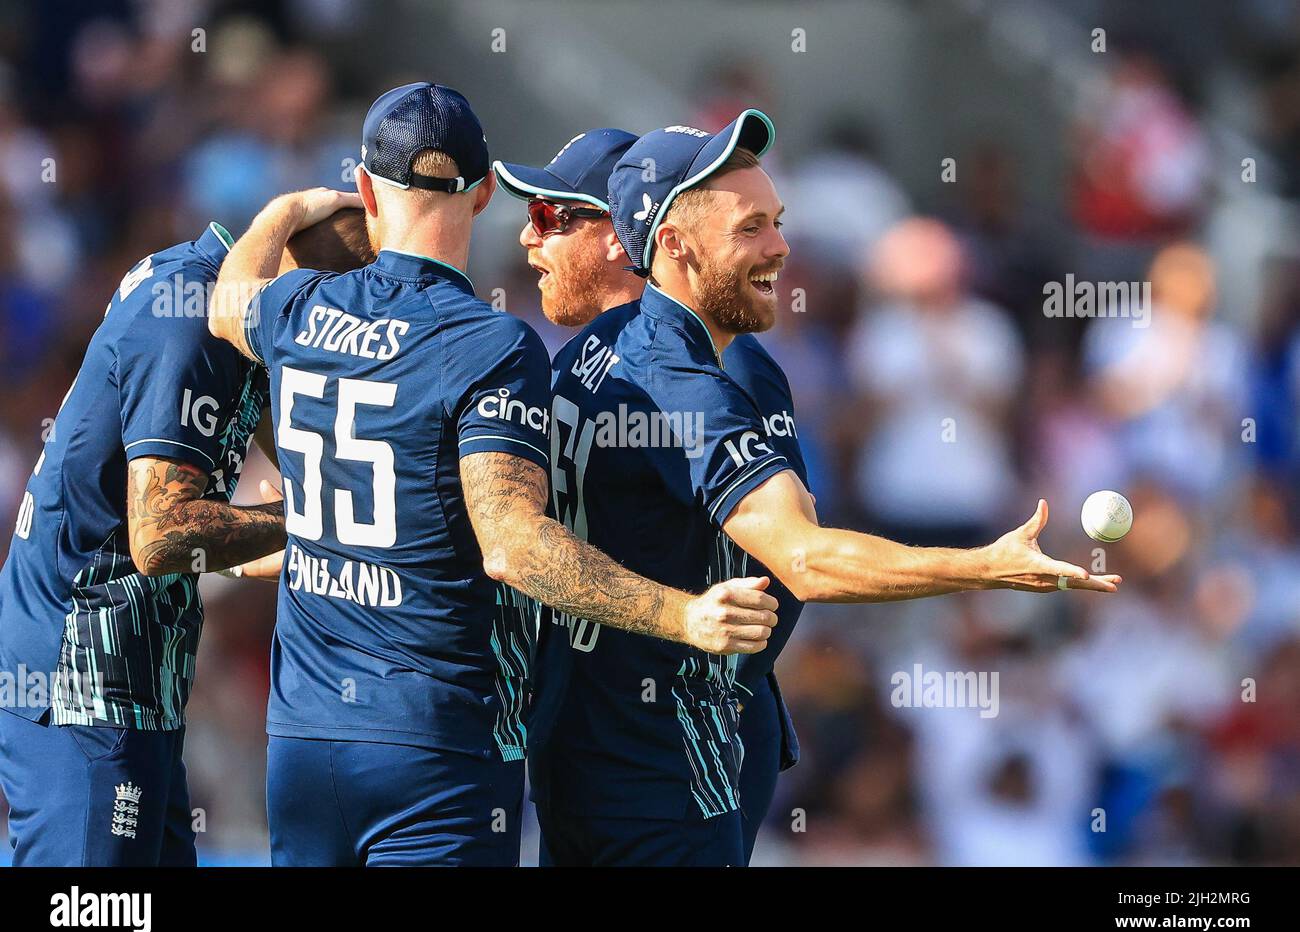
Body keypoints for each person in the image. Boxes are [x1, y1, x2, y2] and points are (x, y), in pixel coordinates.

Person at [206, 83, 776, 867]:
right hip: (434, 748)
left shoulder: (301, 308)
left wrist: (286, 210)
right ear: (479, 200)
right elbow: (513, 547)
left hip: (304, 741)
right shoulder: (492, 345)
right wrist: (685, 617)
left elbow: (227, 303)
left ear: (368, 189)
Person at [534, 110, 1122, 867]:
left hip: (588, 750)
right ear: (674, 244)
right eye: (751, 227)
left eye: (777, 222)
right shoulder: (693, 386)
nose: (781, 246)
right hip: (668, 769)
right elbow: (806, 560)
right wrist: (983, 567)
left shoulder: (589, 351)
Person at [0, 211, 371, 866]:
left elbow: (296, 472)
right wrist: (323, 521)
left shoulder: (243, 318)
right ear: (314, 292)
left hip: (141, 676)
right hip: (82, 679)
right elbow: (162, 532)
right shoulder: (191, 314)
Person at [494, 127, 806, 861]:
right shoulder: (584, 353)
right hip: (592, 736)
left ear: (614, 233)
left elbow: (788, 565)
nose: (527, 238)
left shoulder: (730, 366)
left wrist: (705, 690)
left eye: (548, 218)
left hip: (674, 745)